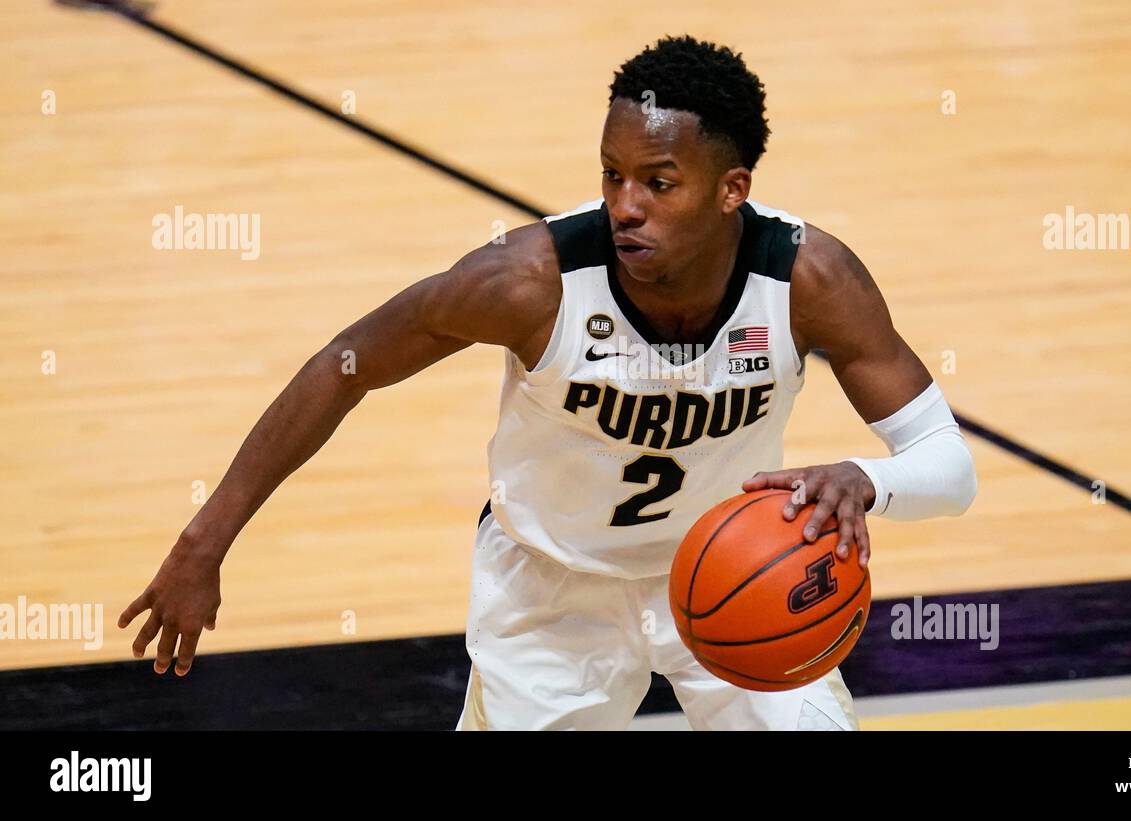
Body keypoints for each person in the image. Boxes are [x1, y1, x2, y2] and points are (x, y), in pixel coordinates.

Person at [119, 34, 977, 730]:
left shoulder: (806, 280)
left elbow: (948, 466)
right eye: (612, 174)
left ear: (731, 189)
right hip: (551, 586)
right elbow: (346, 364)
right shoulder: (529, 282)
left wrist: (868, 480)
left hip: (738, 570)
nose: (623, 204)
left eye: (657, 182)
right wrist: (206, 541)